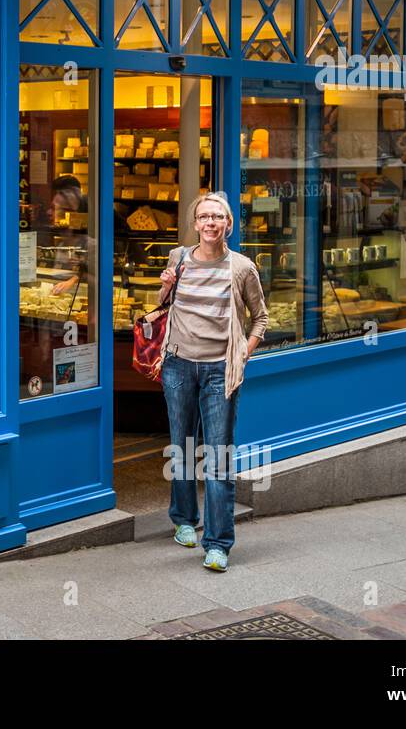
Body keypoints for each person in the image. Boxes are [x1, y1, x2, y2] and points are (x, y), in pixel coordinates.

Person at [155, 191, 267, 572]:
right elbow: (163, 304)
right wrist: (165, 285)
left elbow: (261, 318)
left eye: (217, 217)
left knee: (217, 456)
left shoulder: (241, 267)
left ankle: (217, 543)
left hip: (221, 370)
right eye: (203, 216)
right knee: (182, 445)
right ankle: (184, 519)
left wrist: (244, 352)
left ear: (228, 225)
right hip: (178, 365)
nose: (209, 223)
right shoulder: (178, 258)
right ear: (195, 222)